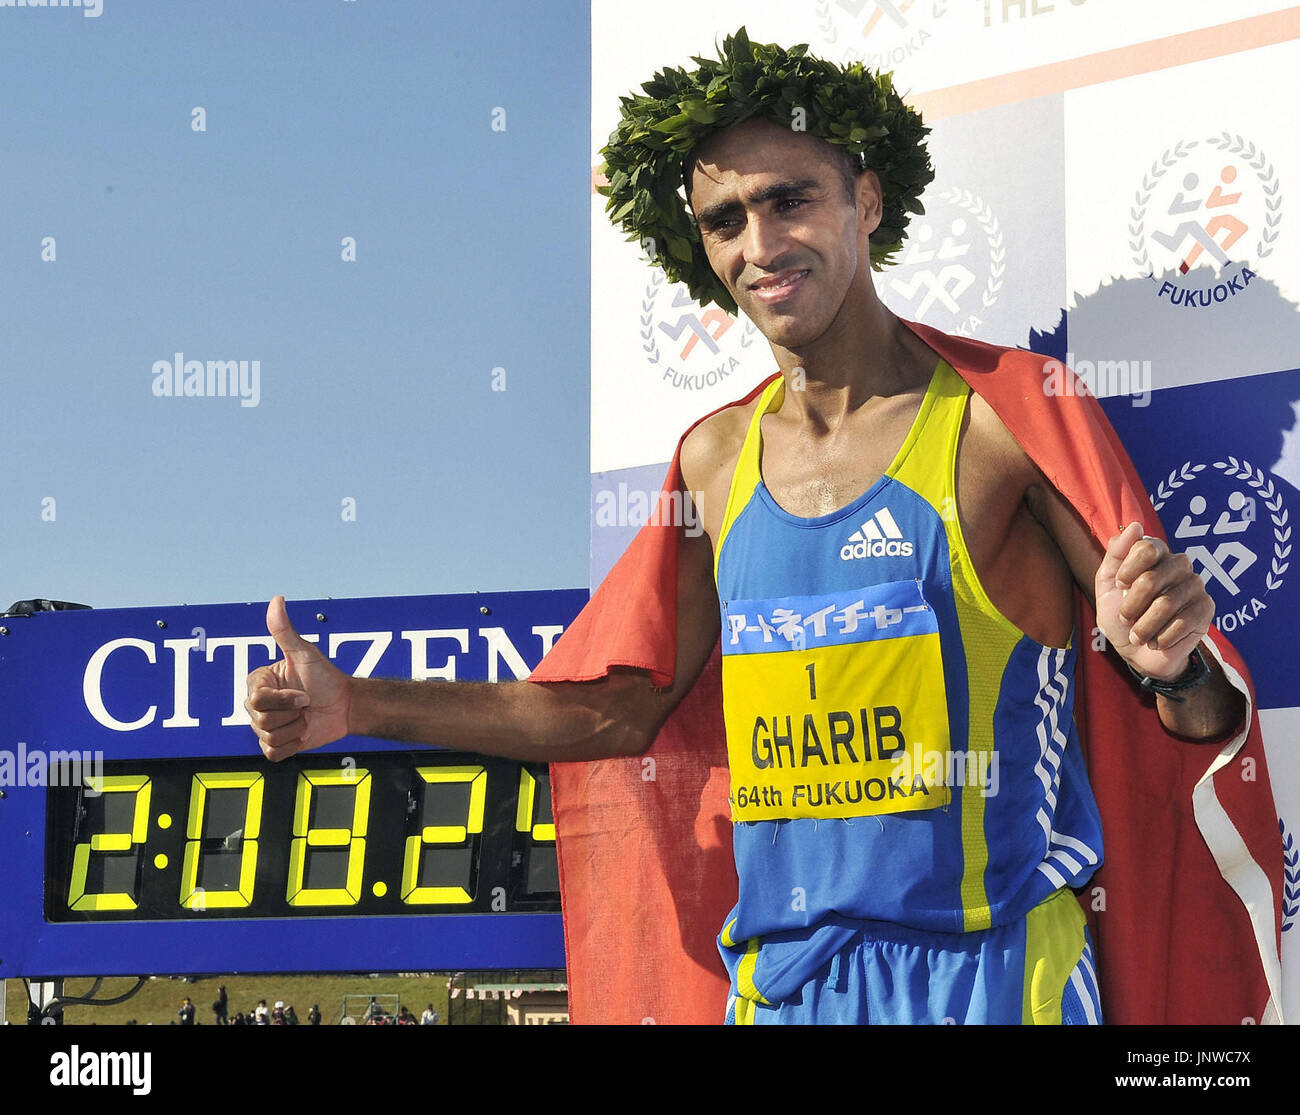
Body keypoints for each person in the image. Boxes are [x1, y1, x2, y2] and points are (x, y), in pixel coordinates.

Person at [246, 30, 1281, 1025]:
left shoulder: (1004, 420)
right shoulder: (714, 459)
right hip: (783, 988)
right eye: (725, 219)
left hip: (990, 973)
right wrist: (358, 701)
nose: (760, 245)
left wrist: (1173, 667)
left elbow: (1189, 723)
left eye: (790, 200)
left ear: (865, 200)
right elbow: (611, 715)